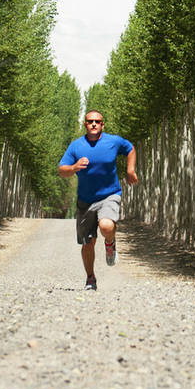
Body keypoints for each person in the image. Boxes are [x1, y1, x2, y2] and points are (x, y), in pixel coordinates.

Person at [58, 111, 137, 290]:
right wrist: (74, 167)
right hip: (85, 200)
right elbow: (62, 170)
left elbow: (130, 148)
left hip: (110, 195)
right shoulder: (76, 146)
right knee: (88, 243)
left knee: (107, 226)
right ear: (85, 124)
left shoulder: (113, 141)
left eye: (97, 121)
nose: (94, 124)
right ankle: (90, 279)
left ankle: (110, 242)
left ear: (102, 125)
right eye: (90, 121)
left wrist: (130, 170)